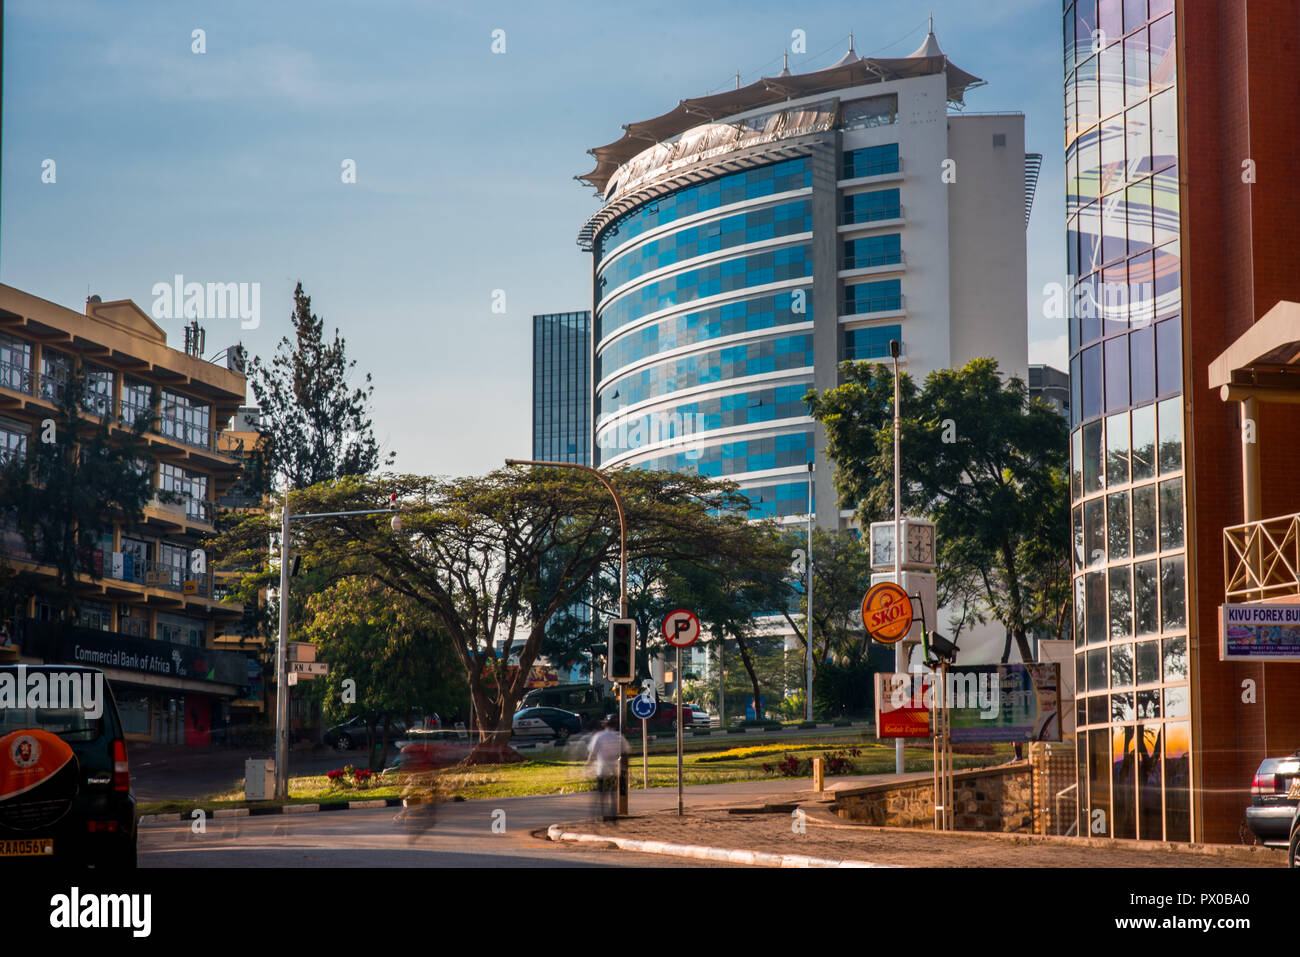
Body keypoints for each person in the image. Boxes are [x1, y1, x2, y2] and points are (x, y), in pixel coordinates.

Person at [586, 715, 628, 823]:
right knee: (613, 793)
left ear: (605, 724)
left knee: (602, 794)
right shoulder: (619, 737)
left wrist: (588, 765)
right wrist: (625, 770)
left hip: (602, 770)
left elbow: (592, 753)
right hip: (614, 770)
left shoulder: (599, 737)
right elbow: (625, 754)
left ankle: (603, 815)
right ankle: (613, 815)